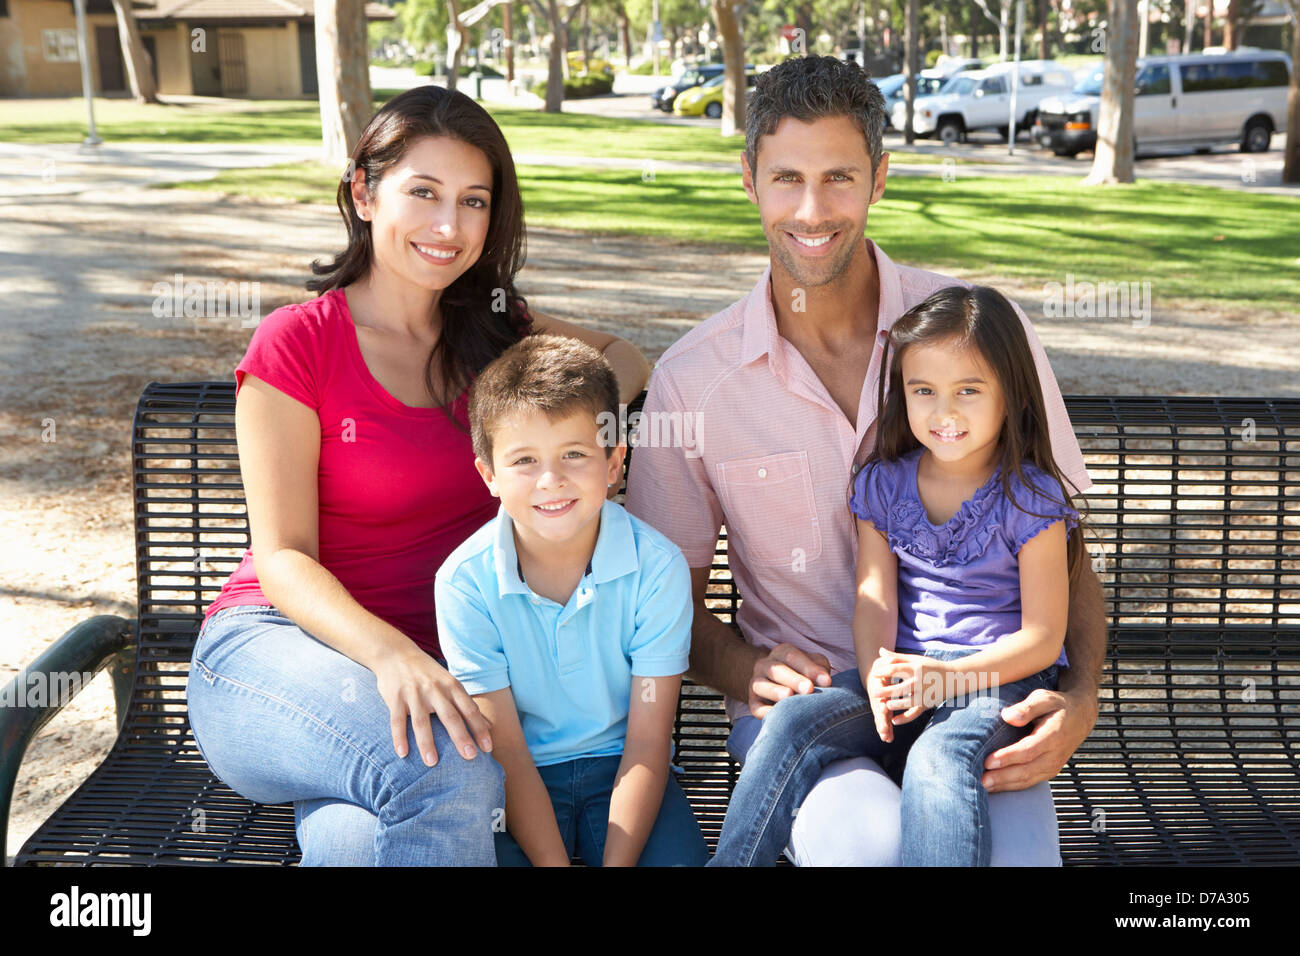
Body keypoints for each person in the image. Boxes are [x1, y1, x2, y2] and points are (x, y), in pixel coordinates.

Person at [624, 54, 1106, 866]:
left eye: (840, 177)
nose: (812, 210)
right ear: (749, 179)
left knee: (1018, 859)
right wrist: (744, 668)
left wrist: (1082, 701)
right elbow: (656, 606)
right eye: (787, 179)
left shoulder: (980, 334)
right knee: (873, 841)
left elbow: (1068, 556)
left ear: (879, 177)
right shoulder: (693, 380)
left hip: (977, 699)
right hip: (816, 721)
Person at [185, 86, 650, 866]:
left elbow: (623, 359)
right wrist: (391, 655)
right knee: (454, 770)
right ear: (364, 193)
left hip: (421, 686)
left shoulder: (499, 335)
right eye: (423, 193)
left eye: (474, 201)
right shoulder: (295, 345)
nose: (449, 226)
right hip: (277, 652)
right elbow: (283, 559)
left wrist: (571, 429)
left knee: (358, 845)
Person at [709, 284, 1084, 866]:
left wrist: (948, 677)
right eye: (924, 391)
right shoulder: (883, 486)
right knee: (793, 722)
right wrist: (880, 673)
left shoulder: (1029, 498)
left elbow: (1042, 638)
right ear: (901, 394)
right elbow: (874, 600)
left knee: (938, 761)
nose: (945, 412)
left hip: (993, 684)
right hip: (904, 675)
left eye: (969, 391)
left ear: (1009, 394)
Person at [435, 335, 708, 867]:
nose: (551, 480)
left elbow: (649, 744)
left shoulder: (657, 568)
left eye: (575, 454)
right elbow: (508, 751)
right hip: (518, 777)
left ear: (614, 464)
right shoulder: (464, 583)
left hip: (625, 767)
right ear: (488, 476)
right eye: (524, 460)